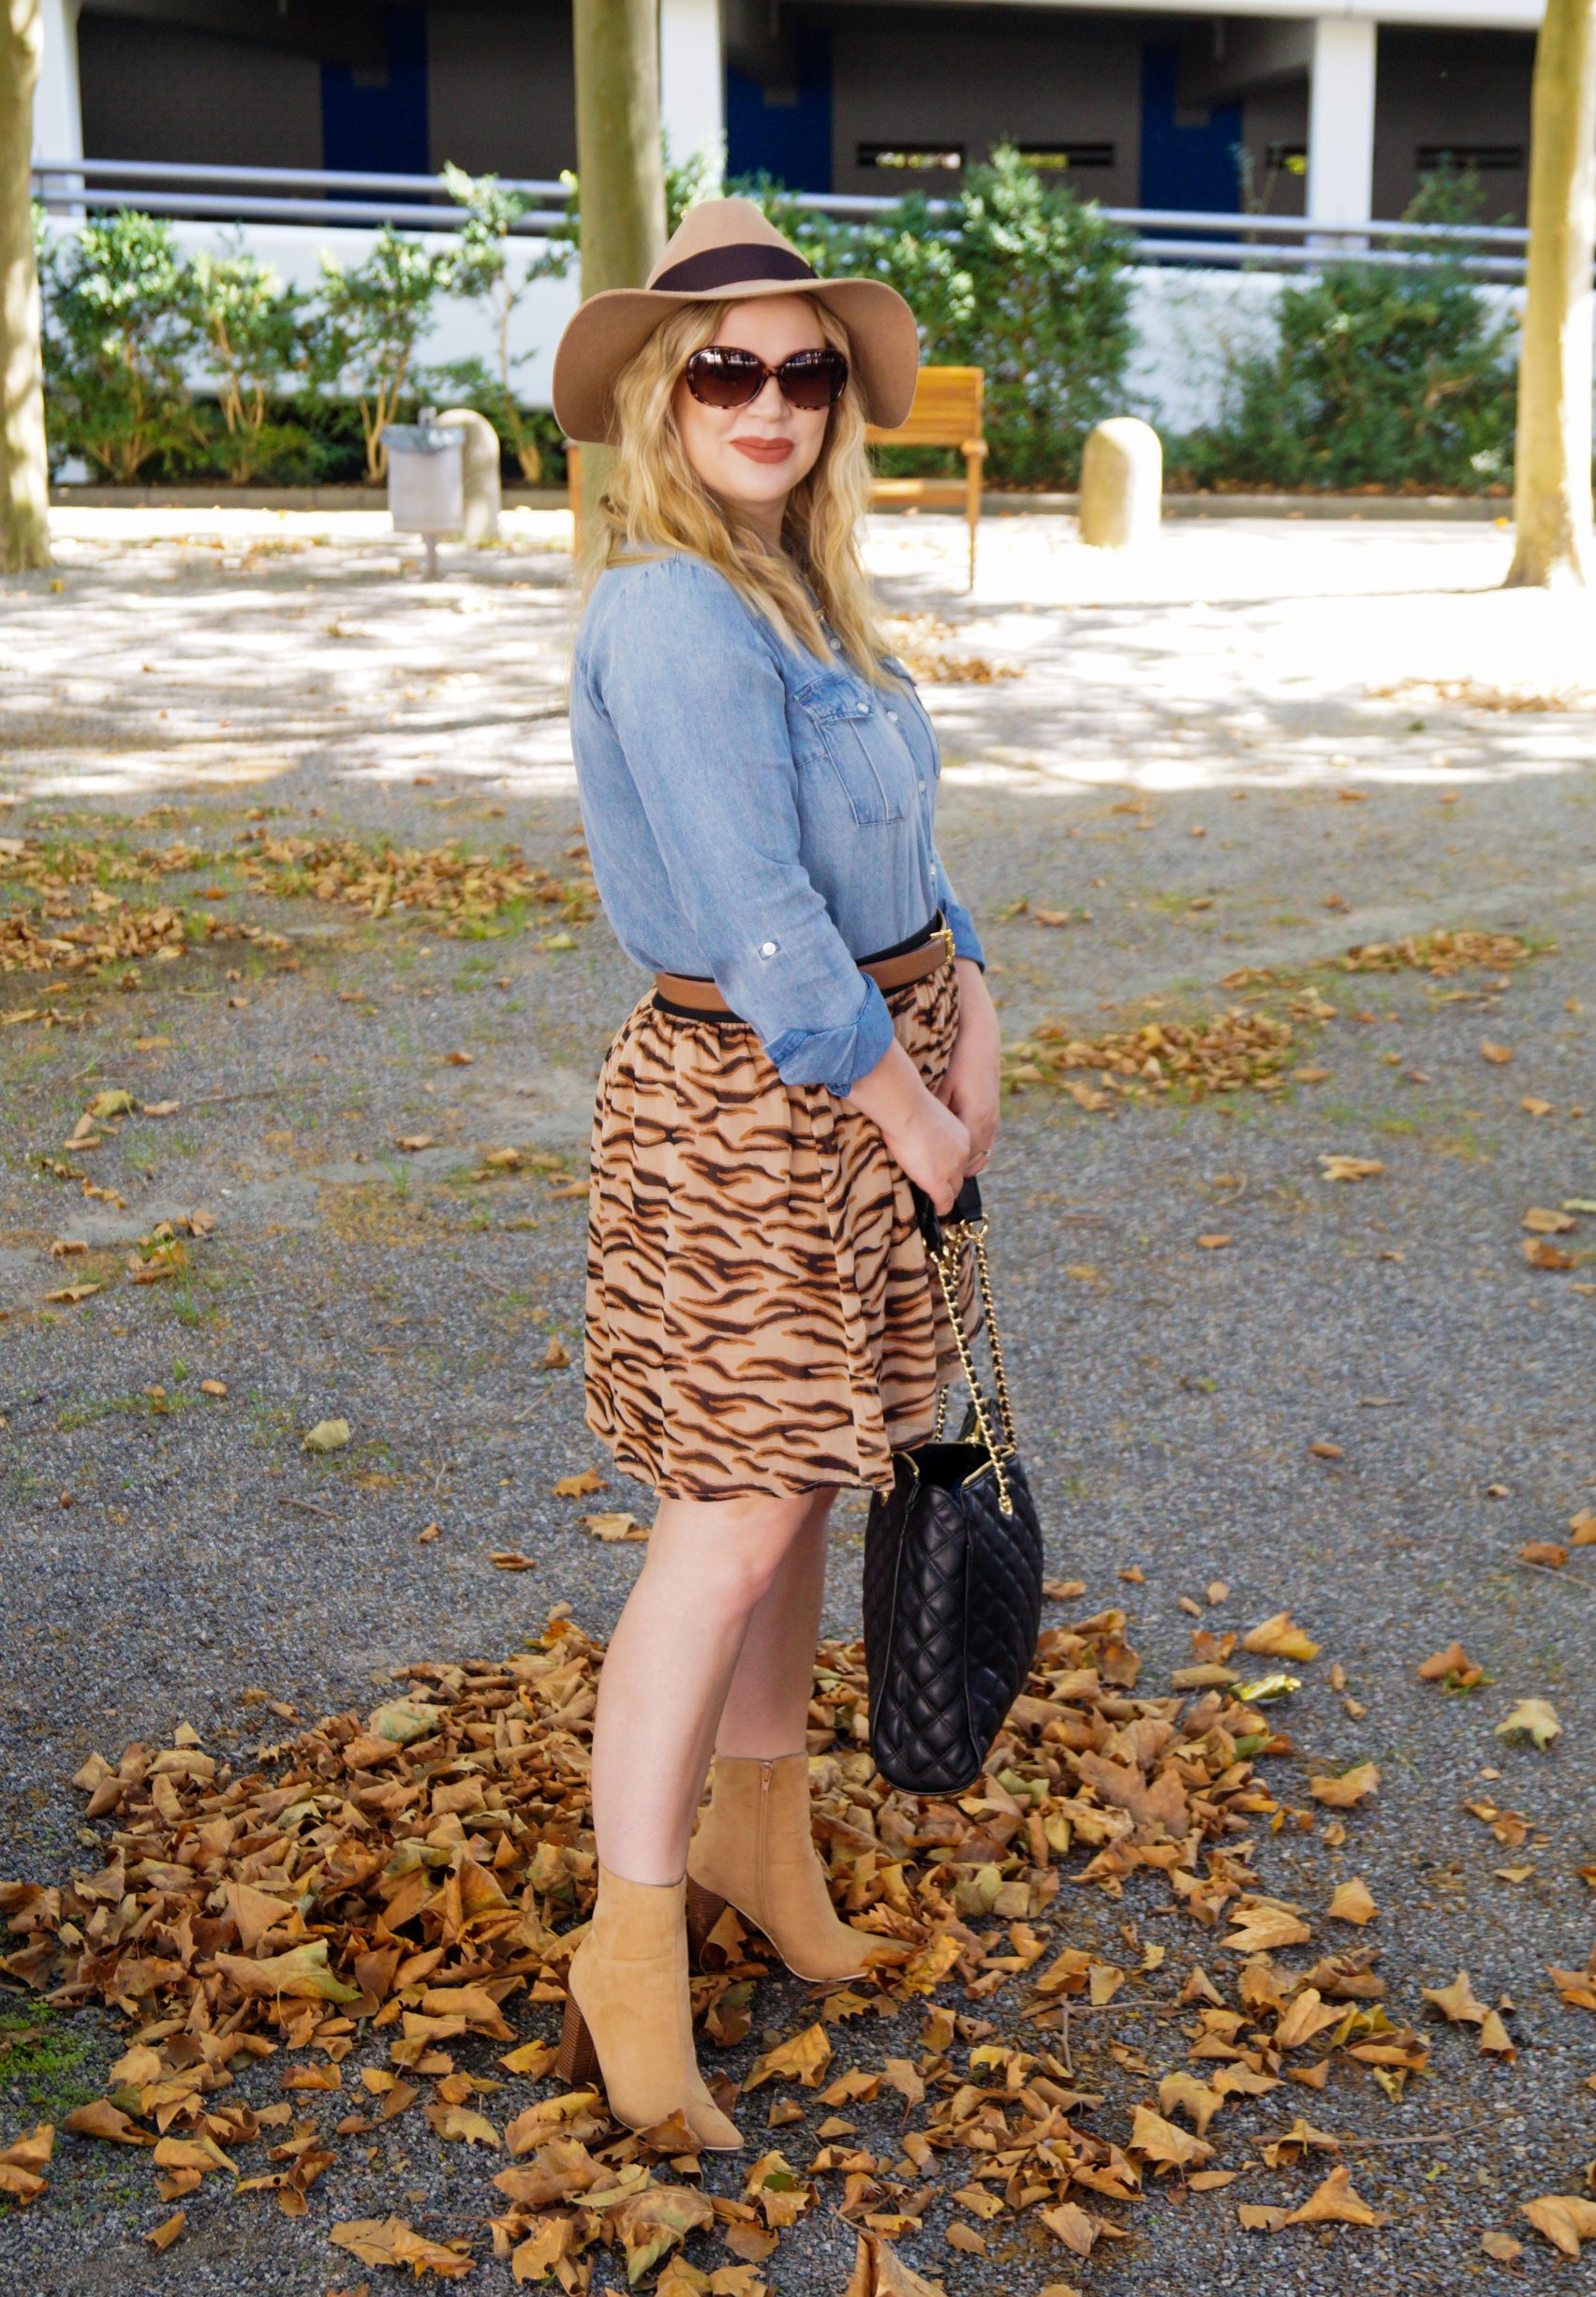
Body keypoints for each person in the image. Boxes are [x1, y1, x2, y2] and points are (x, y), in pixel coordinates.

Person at [547, 196, 1002, 2148]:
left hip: (878, 1079)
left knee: (814, 1483)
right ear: (664, 388)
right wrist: (916, 1108)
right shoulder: (666, 605)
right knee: (725, 1521)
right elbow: (754, 913)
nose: (771, 399)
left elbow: (891, 863)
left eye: (805, 369)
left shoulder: (806, 593)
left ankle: (761, 1841)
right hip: (752, 1108)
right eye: (725, 366)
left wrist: (974, 982)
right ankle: (624, 1950)